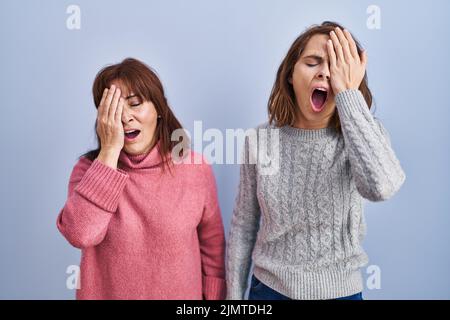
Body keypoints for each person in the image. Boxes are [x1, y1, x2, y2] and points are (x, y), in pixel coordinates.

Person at [226, 21, 406, 300]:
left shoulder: (363, 134)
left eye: (335, 65)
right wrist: (234, 299)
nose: (324, 72)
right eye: (313, 62)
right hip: (269, 291)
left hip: (341, 293)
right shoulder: (258, 140)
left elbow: (382, 187)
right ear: (290, 74)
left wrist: (348, 94)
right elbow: (244, 225)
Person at [57, 58, 226, 299]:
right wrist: (108, 153)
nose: (125, 117)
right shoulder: (87, 171)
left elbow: (212, 247)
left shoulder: (195, 168)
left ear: (159, 109)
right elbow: (81, 234)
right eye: (113, 109)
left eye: (135, 104)